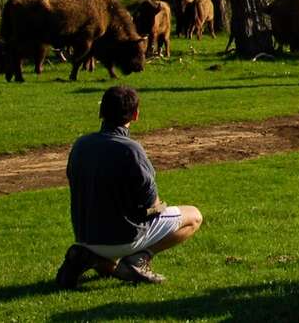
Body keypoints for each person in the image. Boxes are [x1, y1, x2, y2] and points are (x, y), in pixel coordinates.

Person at [56, 86, 203, 289]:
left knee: (111, 257)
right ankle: (139, 259)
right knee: (194, 216)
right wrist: (159, 208)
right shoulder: (130, 149)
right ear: (135, 114)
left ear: (101, 112)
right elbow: (151, 202)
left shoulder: (81, 144)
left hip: (85, 235)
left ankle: (88, 258)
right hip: (121, 238)